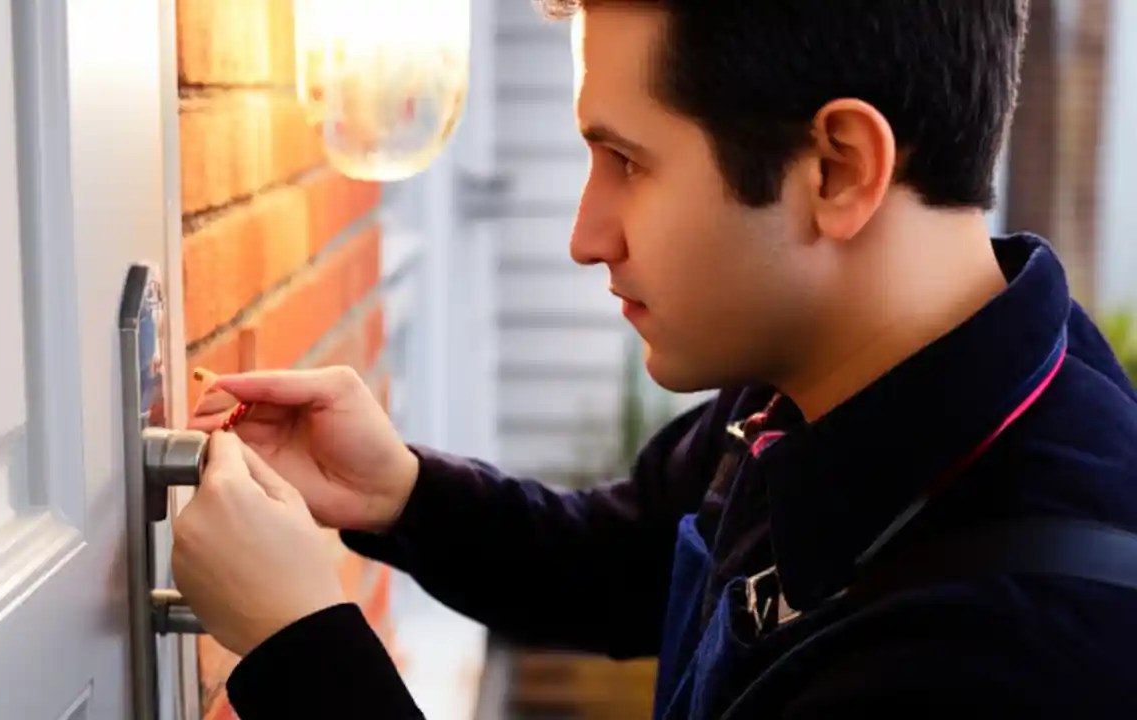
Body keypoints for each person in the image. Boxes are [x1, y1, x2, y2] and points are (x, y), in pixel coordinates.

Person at [172, 0, 1137, 717]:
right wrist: (400, 493)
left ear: (838, 168)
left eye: (626, 161)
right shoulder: (823, 376)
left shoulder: (1017, 649)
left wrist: (301, 651)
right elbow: (623, 558)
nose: (585, 236)